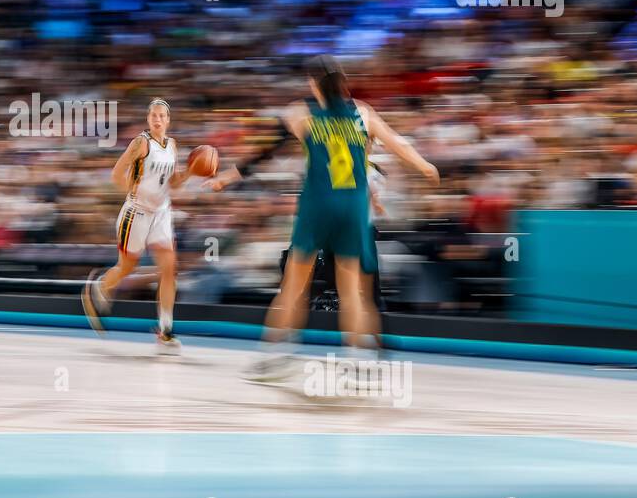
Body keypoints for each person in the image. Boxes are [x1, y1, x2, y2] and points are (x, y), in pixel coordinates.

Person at [209, 56, 438, 382]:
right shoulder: (363, 112)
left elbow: (265, 153)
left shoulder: (300, 115)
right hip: (353, 208)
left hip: (317, 205)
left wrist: (227, 178)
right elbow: (397, 143)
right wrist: (424, 166)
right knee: (352, 291)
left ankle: (274, 355)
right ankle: (360, 363)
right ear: (344, 84)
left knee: (293, 287)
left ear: (313, 84)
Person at [82, 98, 192, 352]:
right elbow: (116, 173)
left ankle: (165, 329)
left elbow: (172, 183)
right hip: (137, 213)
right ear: (148, 119)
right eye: (153, 115)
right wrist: (132, 191)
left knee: (169, 270)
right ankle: (99, 287)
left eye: (161, 115)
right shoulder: (141, 143)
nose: (157, 119)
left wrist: (191, 172)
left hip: (162, 213)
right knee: (126, 267)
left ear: (168, 119)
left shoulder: (173, 145)